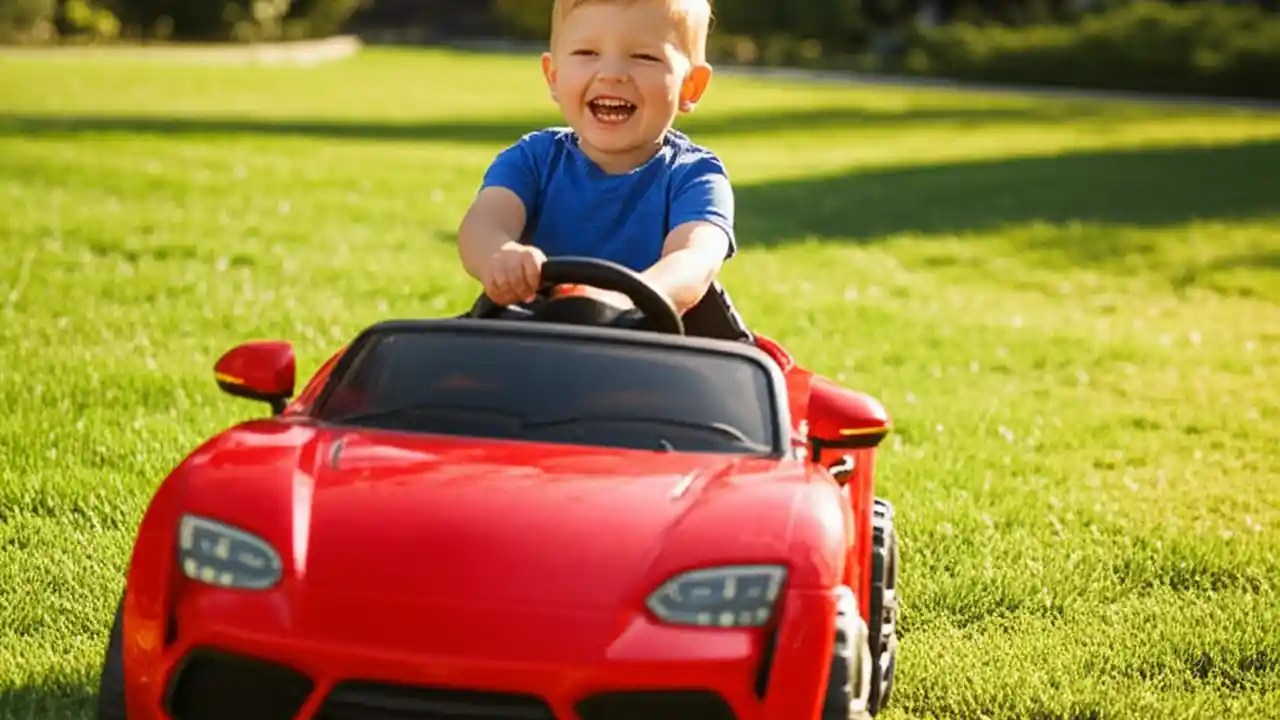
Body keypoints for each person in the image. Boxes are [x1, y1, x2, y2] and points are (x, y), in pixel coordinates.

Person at [456, 0, 751, 341]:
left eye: (644, 57)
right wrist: (500, 254)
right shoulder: (531, 160)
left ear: (690, 86)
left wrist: (633, 298)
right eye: (586, 52)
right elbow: (484, 222)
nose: (611, 73)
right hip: (530, 340)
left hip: (653, 354)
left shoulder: (695, 176)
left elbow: (694, 259)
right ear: (554, 76)